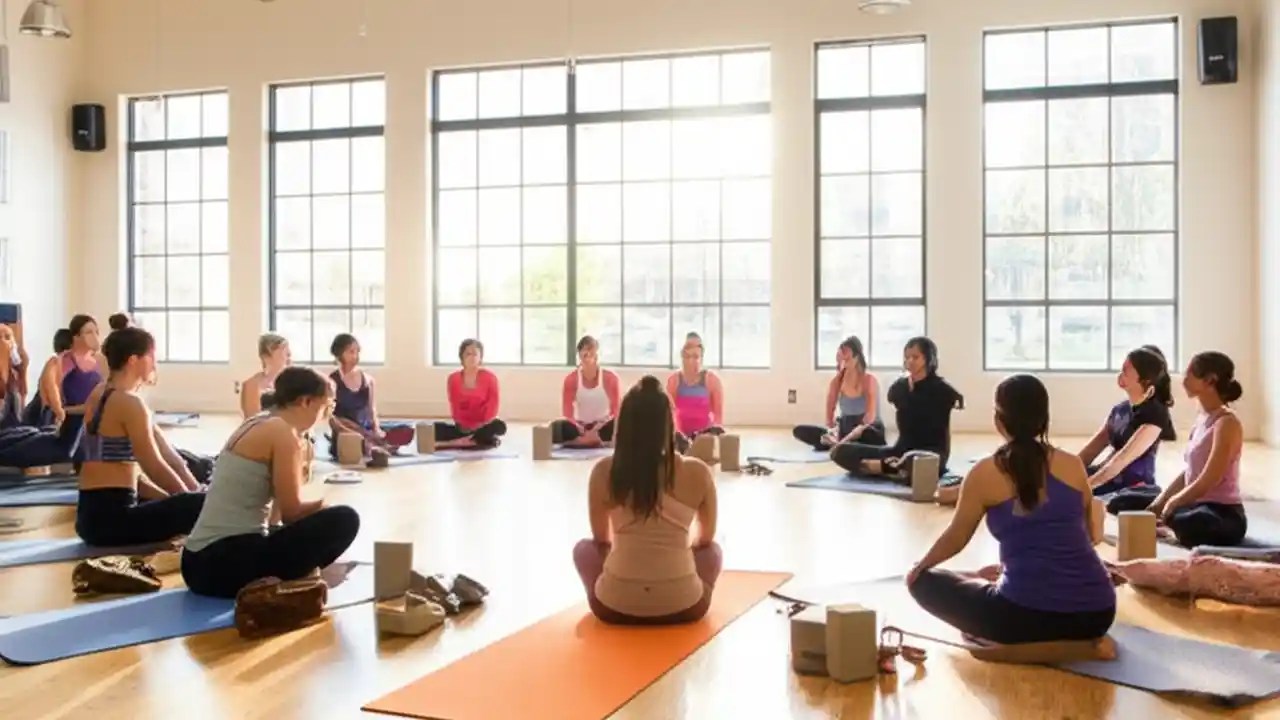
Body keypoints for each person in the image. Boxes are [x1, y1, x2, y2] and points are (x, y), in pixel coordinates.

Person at [906, 374, 1115, 657]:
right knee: (992, 578)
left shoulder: (984, 473)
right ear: (1044, 418)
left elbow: (956, 537)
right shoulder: (1072, 465)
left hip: (1020, 617)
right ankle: (1077, 643)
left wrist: (919, 568)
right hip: (1098, 612)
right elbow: (1092, 536)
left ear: (998, 420)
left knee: (925, 583)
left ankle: (1026, 650)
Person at [182, 367, 360, 599]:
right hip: (220, 564)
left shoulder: (259, 420)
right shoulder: (282, 433)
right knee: (345, 518)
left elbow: (276, 518)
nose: (324, 417)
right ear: (306, 401)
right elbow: (292, 512)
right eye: (326, 407)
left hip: (196, 562)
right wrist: (324, 504)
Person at [573, 375, 721, 625]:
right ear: (668, 424)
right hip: (685, 606)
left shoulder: (603, 472)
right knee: (712, 553)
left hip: (613, 607)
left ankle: (623, 584)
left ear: (624, 423)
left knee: (584, 550)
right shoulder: (697, 472)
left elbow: (601, 540)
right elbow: (705, 539)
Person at [74, 327, 205, 547]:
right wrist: (193, 502)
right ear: (134, 360)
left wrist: (189, 496)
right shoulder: (129, 403)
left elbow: (165, 460)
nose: (155, 364)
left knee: (195, 496)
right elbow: (153, 465)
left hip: (89, 519)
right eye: (151, 356)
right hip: (113, 521)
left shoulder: (100, 393)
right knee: (201, 504)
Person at [1142, 352, 1247, 548]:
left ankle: (1170, 526)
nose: (1184, 379)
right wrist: (1159, 503)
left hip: (1222, 514)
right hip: (1196, 505)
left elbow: (1209, 478)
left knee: (1194, 521)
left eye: (1189, 373)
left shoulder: (1227, 423)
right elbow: (1189, 472)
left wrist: (1173, 504)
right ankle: (1169, 524)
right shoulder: (1201, 419)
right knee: (1135, 501)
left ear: (1209, 380)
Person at [831, 336, 963, 476]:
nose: (910, 361)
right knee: (841, 452)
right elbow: (892, 396)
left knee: (920, 464)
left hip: (930, 454)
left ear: (928, 359)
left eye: (915, 357)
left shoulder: (942, 389)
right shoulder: (899, 387)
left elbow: (957, 399)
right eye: (907, 357)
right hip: (899, 451)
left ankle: (888, 467)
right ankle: (892, 467)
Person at [1078, 346, 1176, 511]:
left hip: (1133, 485)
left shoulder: (1155, 415)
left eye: (1125, 371)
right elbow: (1091, 450)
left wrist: (1086, 487)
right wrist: (1065, 470)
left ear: (1145, 380)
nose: (1120, 374)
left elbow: (1122, 460)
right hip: (1106, 474)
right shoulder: (1120, 409)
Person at [327, 333, 413, 458]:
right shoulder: (332, 381)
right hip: (347, 431)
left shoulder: (368, 380)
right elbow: (331, 418)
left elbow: (372, 410)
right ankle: (375, 446)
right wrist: (356, 432)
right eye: (351, 352)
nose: (356, 356)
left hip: (367, 429)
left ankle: (376, 444)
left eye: (357, 352)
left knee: (406, 428)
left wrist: (376, 429)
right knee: (355, 436)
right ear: (340, 354)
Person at [793, 335, 885, 451]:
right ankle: (841, 445)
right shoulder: (836, 383)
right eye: (840, 358)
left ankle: (842, 446)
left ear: (857, 357)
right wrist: (833, 432)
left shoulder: (869, 380)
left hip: (867, 429)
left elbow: (870, 418)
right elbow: (829, 418)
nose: (843, 362)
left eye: (846, 358)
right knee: (800, 430)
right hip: (845, 428)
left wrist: (843, 441)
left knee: (867, 435)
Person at [24, 315, 104, 428]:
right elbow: (52, 395)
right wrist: (61, 411)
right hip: (67, 421)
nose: (95, 337)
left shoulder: (100, 360)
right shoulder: (63, 361)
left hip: (91, 422)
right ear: (76, 336)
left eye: (96, 332)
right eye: (89, 332)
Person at [551, 335, 621, 447]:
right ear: (580, 356)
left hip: (602, 426)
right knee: (556, 427)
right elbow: (567, 413)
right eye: (584, 353)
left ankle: (584, 441)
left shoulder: (610, 378)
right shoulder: (571, 379)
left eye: (591, 353)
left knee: (619, 425)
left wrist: (597, 428)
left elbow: (616, 411)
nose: (588, 357)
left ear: (597, 355)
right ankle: (587, 440)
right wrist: (581, 428)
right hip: (580, 427)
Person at [435, 339, 506, 448]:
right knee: (434, 428)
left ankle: (469, 440)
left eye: (475, 354)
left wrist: (480, 425)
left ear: (480, 357)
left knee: (499, 426)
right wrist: (464, 426)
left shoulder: (490, 378)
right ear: (462, 357)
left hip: (483, 425)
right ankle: (472, 440)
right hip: (462, 427)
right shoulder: (453, 379)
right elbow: (455, 406)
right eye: (468, 354)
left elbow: (493, 406)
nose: (472, 357)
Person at [666, 333, 725, 454]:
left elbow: (718, 416)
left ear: (701, 358)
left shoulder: (712, 380)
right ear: (682, 357)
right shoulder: (673, 380)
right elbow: (670, 413)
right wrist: (677, 433)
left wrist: (711, 434)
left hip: (704, 437)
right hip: (680, 437)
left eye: (695, 357)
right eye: (687, 357)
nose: (690, 361)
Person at [240, 333, 291, 418]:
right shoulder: (252, 385)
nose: (289, 358)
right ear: (266, 356)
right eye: (285, 352)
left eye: (289, 354)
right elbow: (252, 420)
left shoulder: (292, 382)